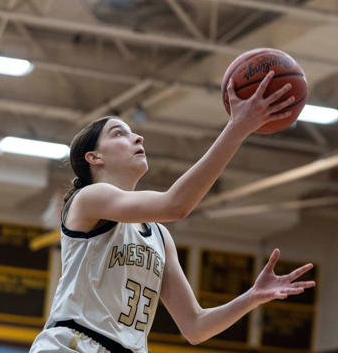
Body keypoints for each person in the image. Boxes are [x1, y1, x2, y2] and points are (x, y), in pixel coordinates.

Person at [30, 71, 316, 353]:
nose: (138, 137)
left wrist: (251, 298)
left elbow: (195, 326)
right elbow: (176, 205)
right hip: (71, 345)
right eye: (119, 133)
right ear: (95, 157)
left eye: (133, 132)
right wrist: (237, 128)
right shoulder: (89, 198)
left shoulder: (159, 236)